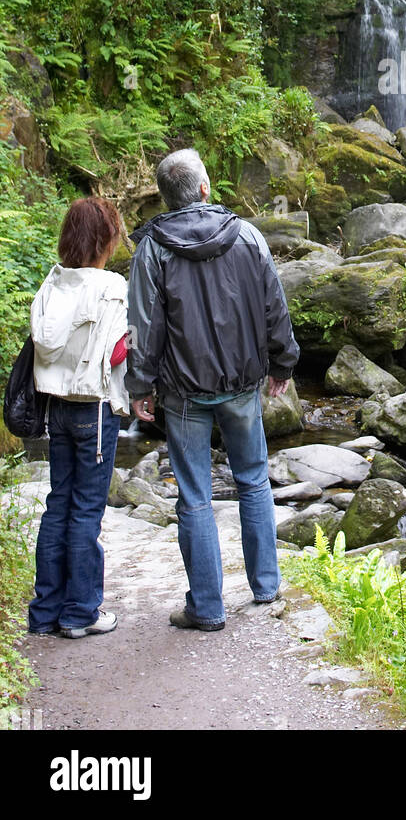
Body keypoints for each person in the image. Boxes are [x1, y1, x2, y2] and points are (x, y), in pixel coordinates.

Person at [126, 148, 299, 632]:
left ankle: (206, 607)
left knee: (195, 496)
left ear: (164, 199)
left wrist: (139, 385)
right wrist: (283, 362)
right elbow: (274, 307)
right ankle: (266, 587)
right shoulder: (248, 236)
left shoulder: (152, 249)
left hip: (182, 392)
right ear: (204, 188)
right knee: (254, 480)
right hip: (243, 383)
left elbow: (141, 325)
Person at [28, 197, 129, 639]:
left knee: (58, 504)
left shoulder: (52, 284)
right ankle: (81, 612)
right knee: (87, 509)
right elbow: (119, 352)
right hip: (94, 407)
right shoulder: (111, 286)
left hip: (56, 408)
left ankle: (45, 611)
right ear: (105, 239)